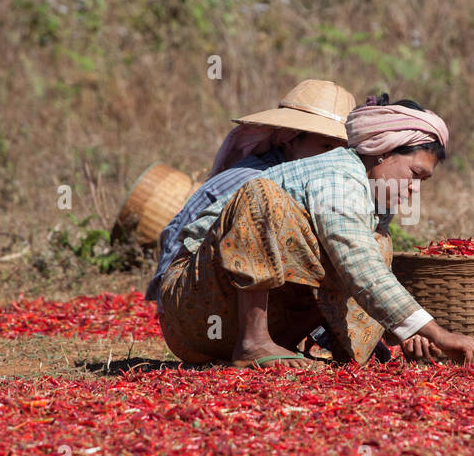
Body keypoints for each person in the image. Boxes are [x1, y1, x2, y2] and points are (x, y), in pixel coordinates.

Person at [155, 98, 474, 368]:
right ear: (383, 150)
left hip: (242, 328)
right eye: (414, 174)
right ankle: (253, 341)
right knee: (263, 198)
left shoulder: (372, 200)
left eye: (422, 182)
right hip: (192, 311)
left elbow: (362, 265)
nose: (414, 189)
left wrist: (405, 332)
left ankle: (340, 348)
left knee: (377, 243)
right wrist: (437, 333)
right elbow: (358, 264)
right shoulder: (338, 175)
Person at [145, 79, 356, 304]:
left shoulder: (300, 179)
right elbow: (182, 241)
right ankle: (254, 336)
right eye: (325, 147)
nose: (332, 159)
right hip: (189, 292)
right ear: (290, 140)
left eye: (339, 152)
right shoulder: (257, 179)